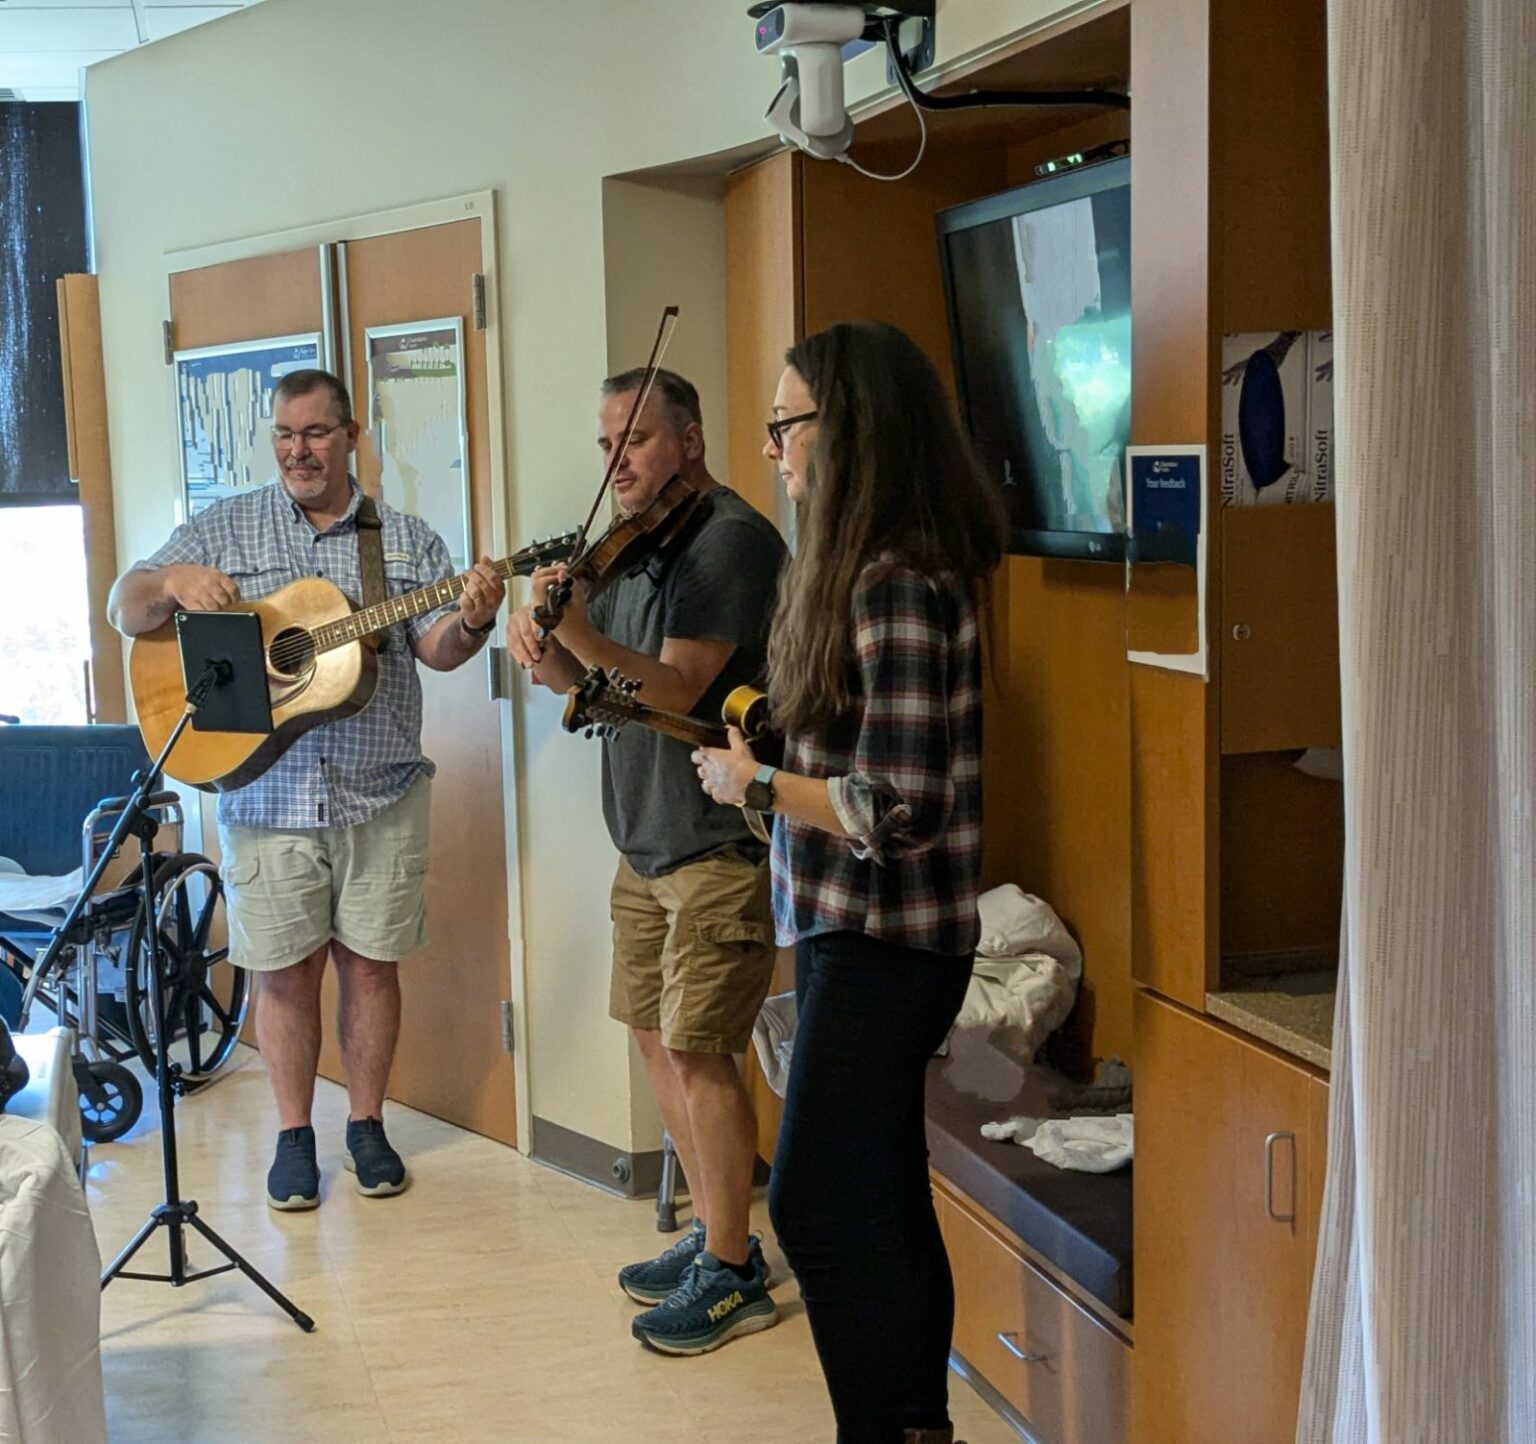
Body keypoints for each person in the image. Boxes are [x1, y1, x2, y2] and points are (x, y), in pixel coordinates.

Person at [692, 321, 1004, 1444]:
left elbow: (896, 803)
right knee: (877, 1191)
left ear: (851, 429)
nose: (773, 446)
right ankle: (916, 1427)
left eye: (788, 423)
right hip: (846, 931)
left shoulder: (901, 581)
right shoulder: (858, 574)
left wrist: (760, 784)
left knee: (814, 1202)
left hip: (889, 941)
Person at [107, 369, 505, 1210]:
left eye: (317, 434)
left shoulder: (402, 539)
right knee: (283, 974)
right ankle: (294, 1136)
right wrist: (175, 582)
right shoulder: (227, 522)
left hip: (381, 790)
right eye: (285, 436)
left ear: (351, 436)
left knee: (370, 968)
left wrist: (471, 616)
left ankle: (365, 1124)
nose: (299, 451)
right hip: (265, 794)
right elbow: (125, 604)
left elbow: (436, 649)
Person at [506, 367, 787, 1355]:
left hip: (715, 846)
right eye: (606, 446)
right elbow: (590, 684)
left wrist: (574, 623)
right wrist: (542, 647)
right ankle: (714, 1233)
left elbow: (678, 690)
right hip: (646, 839)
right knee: (656, 1038)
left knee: (704, 1050)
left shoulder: (729, 544)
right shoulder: (632, 552)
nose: (617, 462)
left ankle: (735, 1266)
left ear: (691, 439)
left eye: (636, 439)